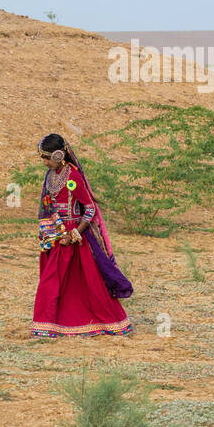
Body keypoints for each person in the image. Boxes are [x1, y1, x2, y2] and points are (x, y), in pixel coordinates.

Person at [32, 133, 133, 337]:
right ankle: (50, 325)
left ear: (59, 156)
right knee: (54, 282)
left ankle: (101, 323)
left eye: (47, 157)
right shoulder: (51, 175)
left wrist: (75, 233)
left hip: (74, 239)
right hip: (57, 235)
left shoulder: (72, 177)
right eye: (42, 157)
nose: (44, 161)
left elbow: (89, 210)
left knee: (85, 285)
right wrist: (53, 230)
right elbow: (48, 204)